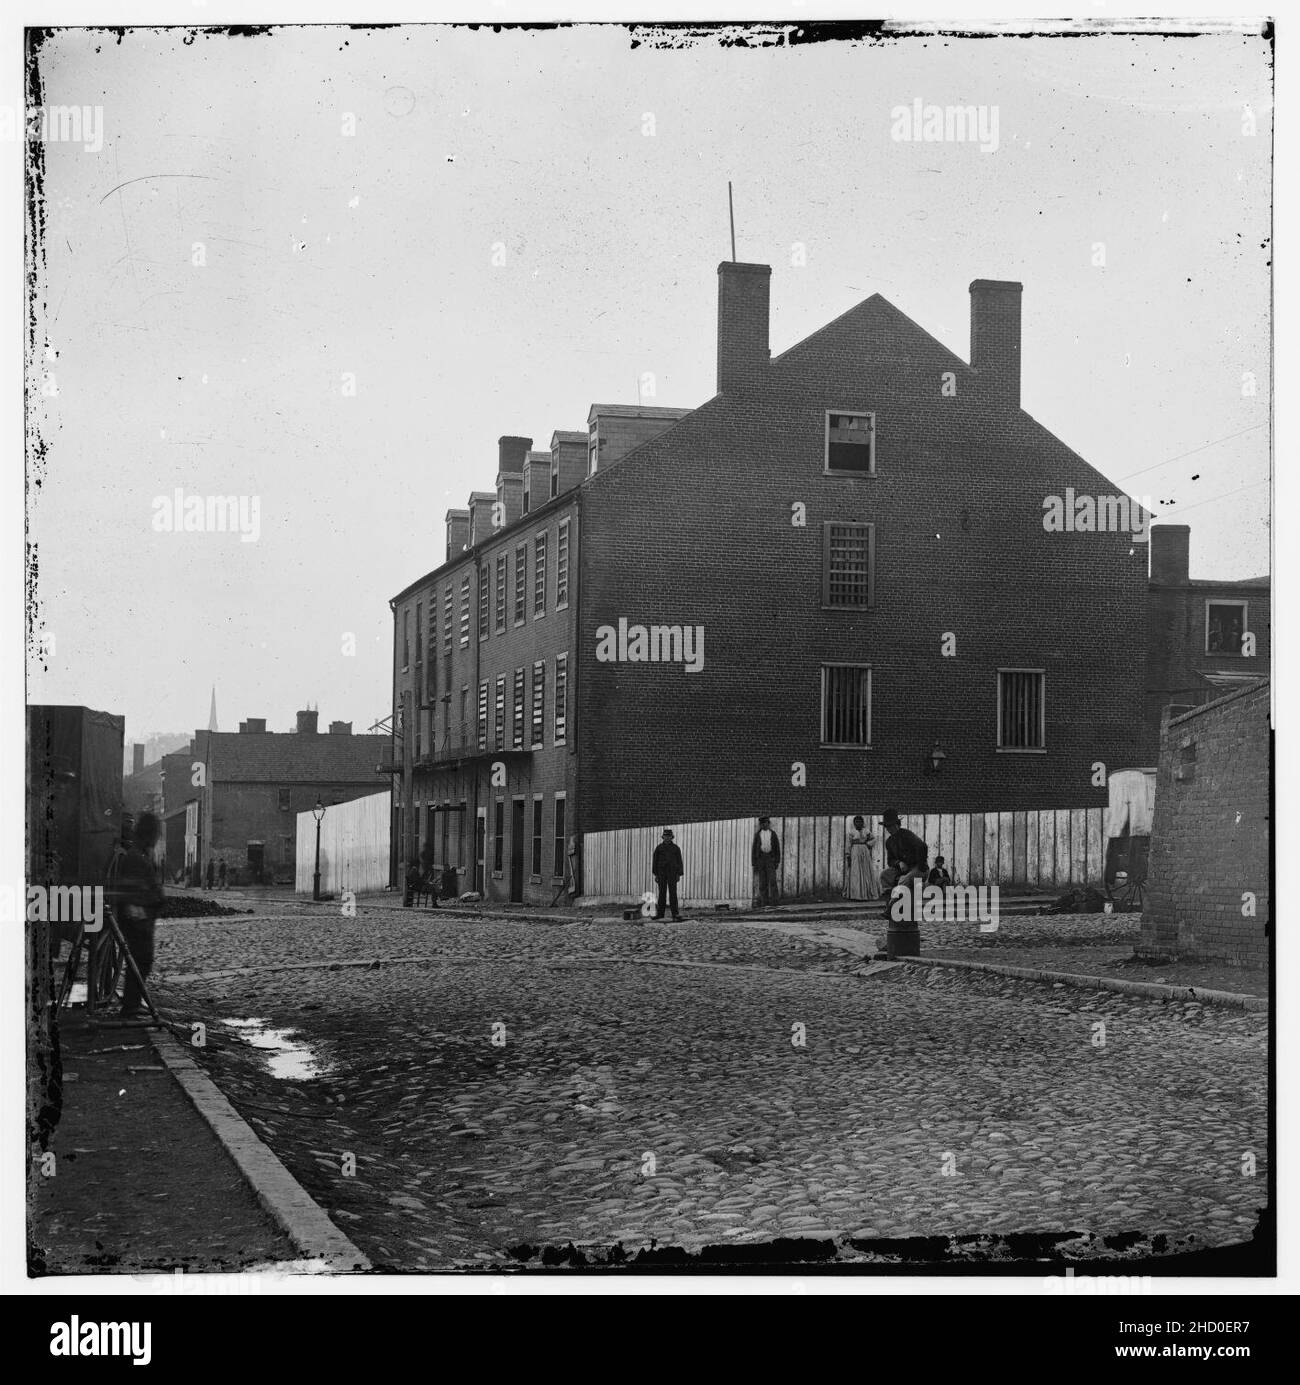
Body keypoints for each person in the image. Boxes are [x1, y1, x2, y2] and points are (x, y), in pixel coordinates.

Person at [112, 812, 165, 1021]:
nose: (157, 838)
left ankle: (132, 1003)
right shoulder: (136, 857)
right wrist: (144, 911)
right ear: (149, 834)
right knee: (141, 960)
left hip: (142, 917)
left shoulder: (141, 855)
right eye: (155, 834)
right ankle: (130, 1006)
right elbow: (133, 892)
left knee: (141, 960)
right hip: (138, 919)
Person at [879, 809, 928, 911]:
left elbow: (923, 847)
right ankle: (889, 901)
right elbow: (890, 861)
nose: (889, 829)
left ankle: (891, 908)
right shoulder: (889, 842)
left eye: (892, 825)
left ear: (898, 824)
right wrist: (899, 862)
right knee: (884, 875)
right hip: (902, 869)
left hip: (919, 868)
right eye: (887, 826)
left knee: (903, 879)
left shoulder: (907, 835)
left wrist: (917, 865)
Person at [651, 828, 684, 921]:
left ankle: (675, 914)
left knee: (673, 894)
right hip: (661, 874)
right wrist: (656, 874)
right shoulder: (659, 848)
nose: (667, 838)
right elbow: (655, 861)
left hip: (672, 874)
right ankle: (660, 914)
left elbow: (679, 861)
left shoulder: (676, 848)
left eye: (669, 836)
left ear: (671, 837)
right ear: (663, 837)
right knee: (662, 894)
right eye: (665, 836)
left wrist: (678, 874)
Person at [843, 814, 878, 900]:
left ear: (863, 823)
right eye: (856, 822)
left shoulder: (866, 831)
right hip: (855, 852)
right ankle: (856, 895)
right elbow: (848, 844)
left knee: (866, 871)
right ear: (854, 823)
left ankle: (867, 894)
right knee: (855, 872)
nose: (858, 824)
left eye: (860, 822)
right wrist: (848, 855)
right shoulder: (851, 832)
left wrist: (868, 844)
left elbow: (873, 839)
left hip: (864, 852)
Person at [751, 816, 782, 908]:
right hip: (761, 859)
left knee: (772, 880)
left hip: (770, 859)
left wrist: (777, 861)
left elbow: (777, 848)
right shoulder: (758, 834)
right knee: (762, 882)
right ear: (760, 825)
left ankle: (775, 902)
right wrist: (754, 863)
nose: (765, 825)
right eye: (763, 823)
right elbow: (754, 849)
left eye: (766, 823)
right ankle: (765, 902)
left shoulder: (773, 834)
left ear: (769, 823)